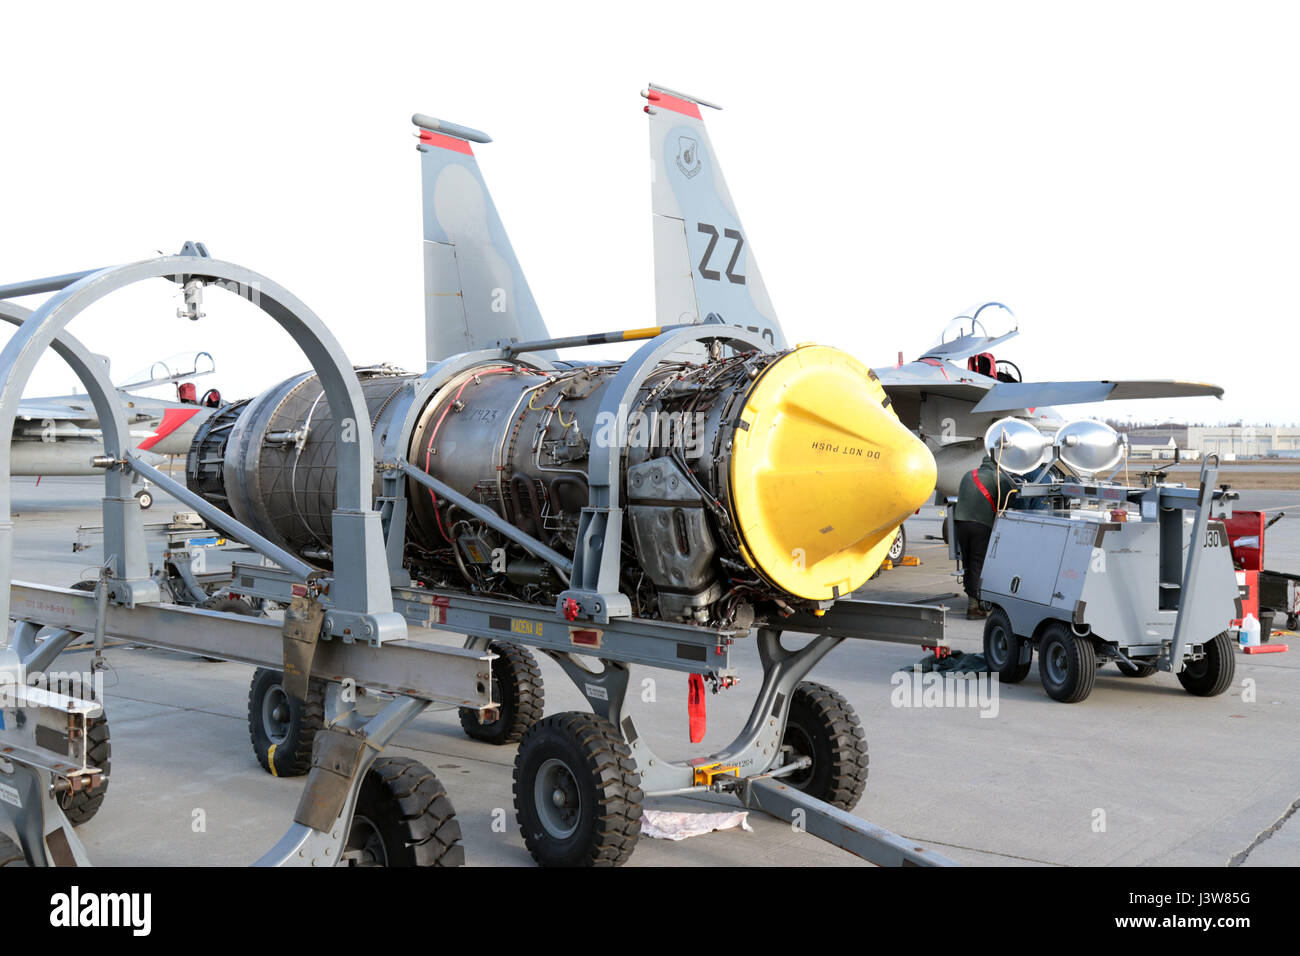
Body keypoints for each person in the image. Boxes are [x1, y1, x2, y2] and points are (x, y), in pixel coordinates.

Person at [954, 454, 1021, 619]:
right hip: (981, 525)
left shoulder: (968, 474)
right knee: (978, 563)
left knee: (968, 562)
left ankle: (972, 600)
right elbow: (1008, 503)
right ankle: (975, 606)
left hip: (960, 523)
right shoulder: (998, 478)